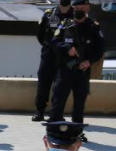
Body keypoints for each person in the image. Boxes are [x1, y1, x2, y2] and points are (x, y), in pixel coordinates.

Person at [49, 0, 105, 140]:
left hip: (82, 71)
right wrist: (67, 49)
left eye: (82, 7)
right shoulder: (65, 25)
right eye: (77, 7)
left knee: (79, 103)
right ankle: (55, 130)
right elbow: (54, 43)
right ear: (73, 8)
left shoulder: (93, 27)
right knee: (58, 101)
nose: (79, 9)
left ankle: (77, 133)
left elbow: (100, 49)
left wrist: (89, 61)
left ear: (87, 8)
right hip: (65, 70)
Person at [34, 0, 74, 122]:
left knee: (61, 86)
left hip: (65, 57)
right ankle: (39, 112)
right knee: (43, 84)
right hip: (49, 55)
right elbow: (40, 34)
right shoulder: (49, 14)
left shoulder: (75, 15)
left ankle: (56, 114)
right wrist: (49, 46)